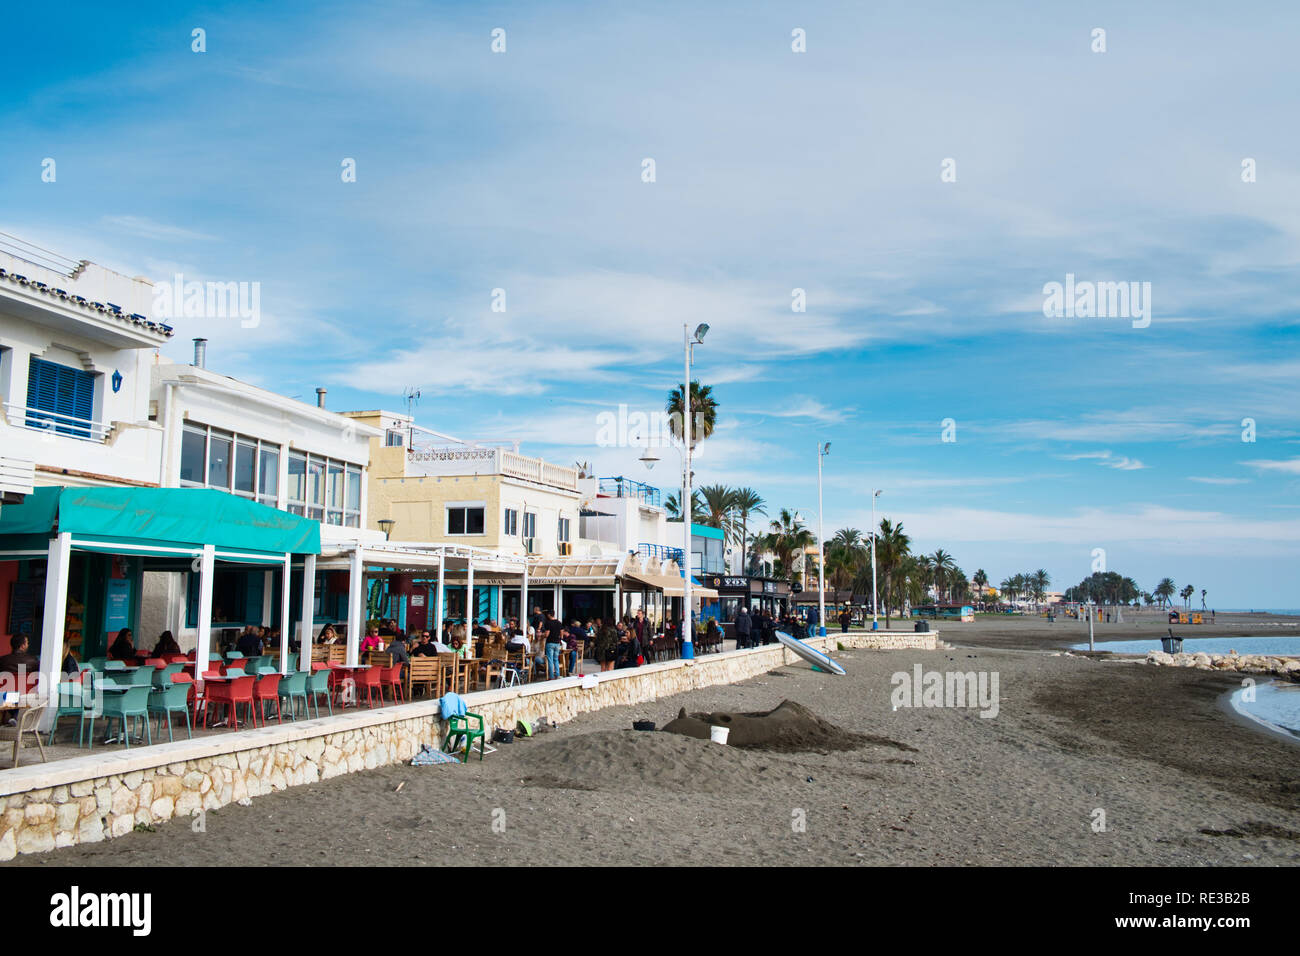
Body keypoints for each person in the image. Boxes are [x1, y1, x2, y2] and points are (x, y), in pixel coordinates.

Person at [542, 610, 564, 680]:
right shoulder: (559, 623)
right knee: (556, 659)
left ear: (549, 615)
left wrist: (543, 635)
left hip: (550, 643)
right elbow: (562, 634)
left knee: (550, 660)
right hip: (557, 643)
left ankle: (551, 676)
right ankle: (557, 675)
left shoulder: (548, 623)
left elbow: (547, 634)